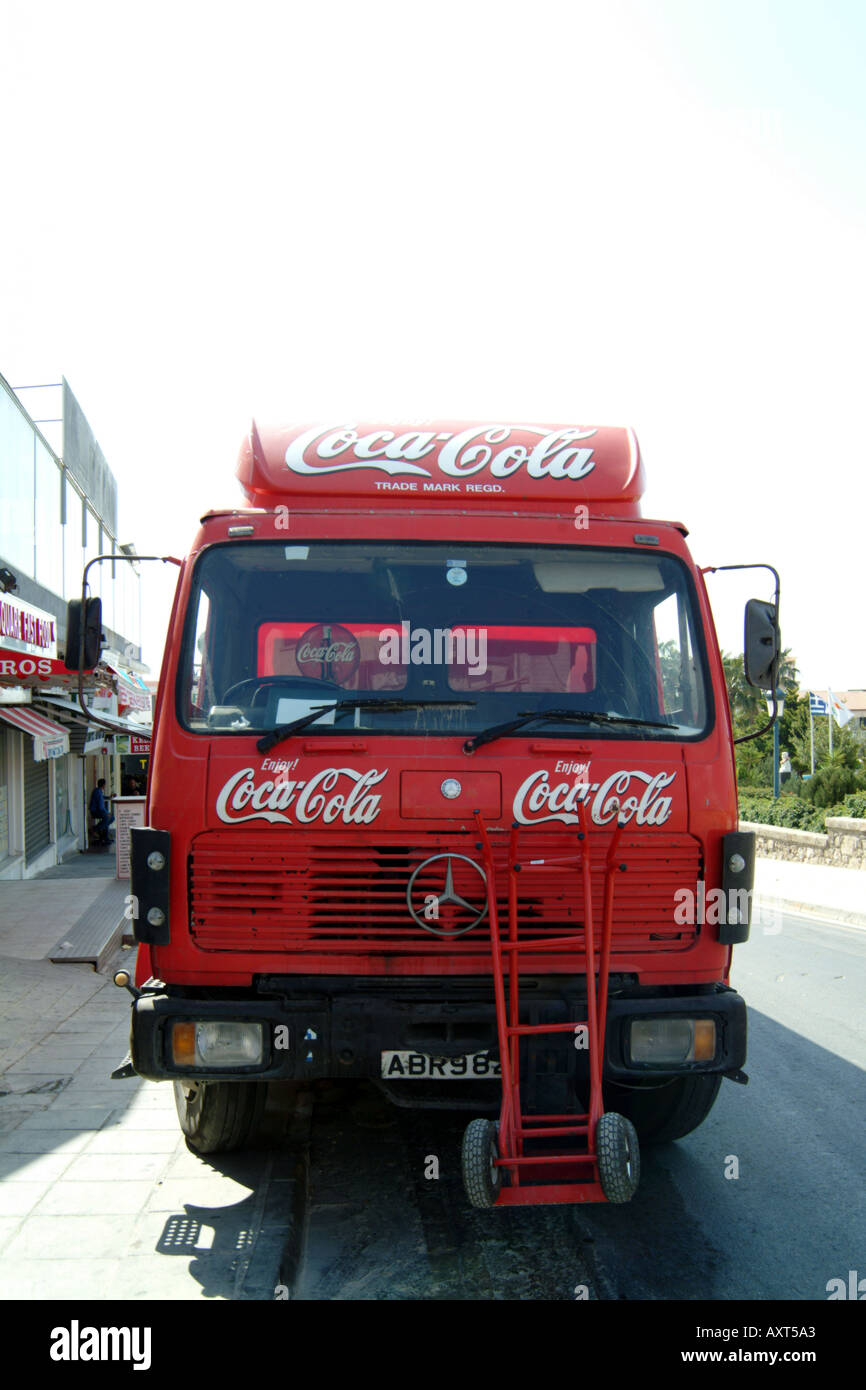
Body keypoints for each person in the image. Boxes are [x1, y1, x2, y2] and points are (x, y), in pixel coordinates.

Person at [89, 778, 115, 845]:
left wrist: (109, 797)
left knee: (109, 818)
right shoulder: (98, 792)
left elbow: (102, 797)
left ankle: (104, 837)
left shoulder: (97, 790)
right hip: (95, 811)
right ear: (103, 785)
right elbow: (101, 807)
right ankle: (95, 829)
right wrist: (107, 813)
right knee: (108, 818)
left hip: (96, 810)